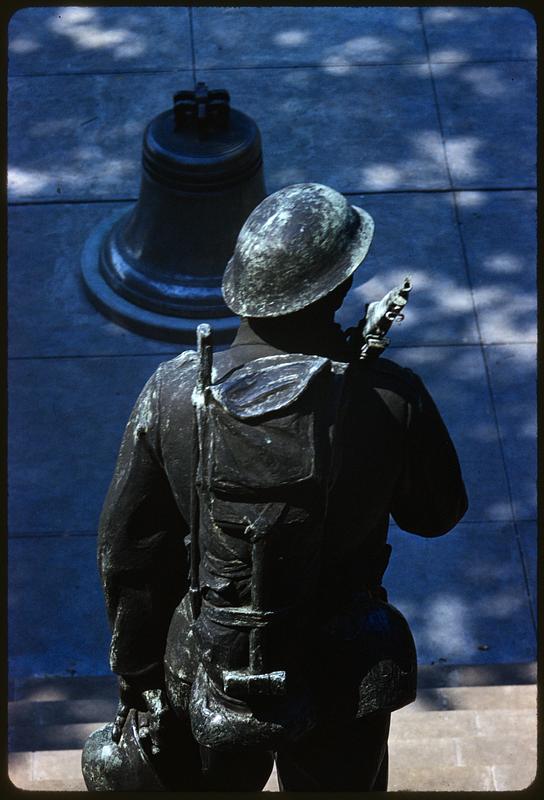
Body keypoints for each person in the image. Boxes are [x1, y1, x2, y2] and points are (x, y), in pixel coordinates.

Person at [82, 183, 468, 792]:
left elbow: (129, 555)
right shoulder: (392, 398)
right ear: (339, 288)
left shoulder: (173, 392)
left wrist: (139, 682)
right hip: (344, 667)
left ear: (243, 287)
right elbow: (436, 513)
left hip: (210, 665)